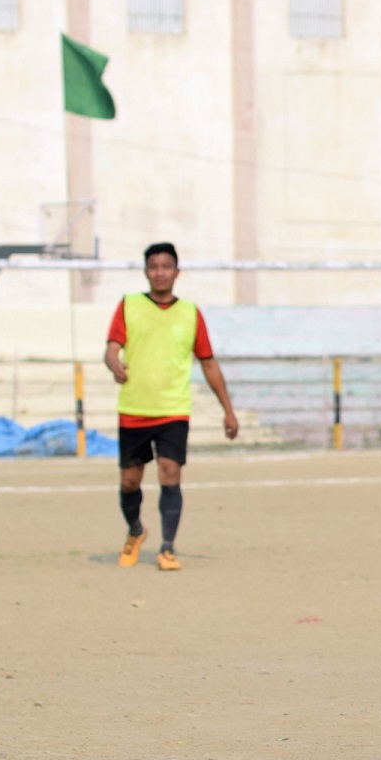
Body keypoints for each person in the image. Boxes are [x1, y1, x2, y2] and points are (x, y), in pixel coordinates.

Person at [104, 242, 239, 570]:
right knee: (130, 481)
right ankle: (136, 531)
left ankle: (167, 548)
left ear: (177, 272)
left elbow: (208, 363)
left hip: (173, 410)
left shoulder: (190, 313)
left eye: (166, 266)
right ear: (146, 271)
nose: (160, 272)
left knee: (170, 471)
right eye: (154, 266)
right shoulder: (129, 305)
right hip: (134, 408)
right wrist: (113, 363)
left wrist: (228, 410)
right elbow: (111, 349)